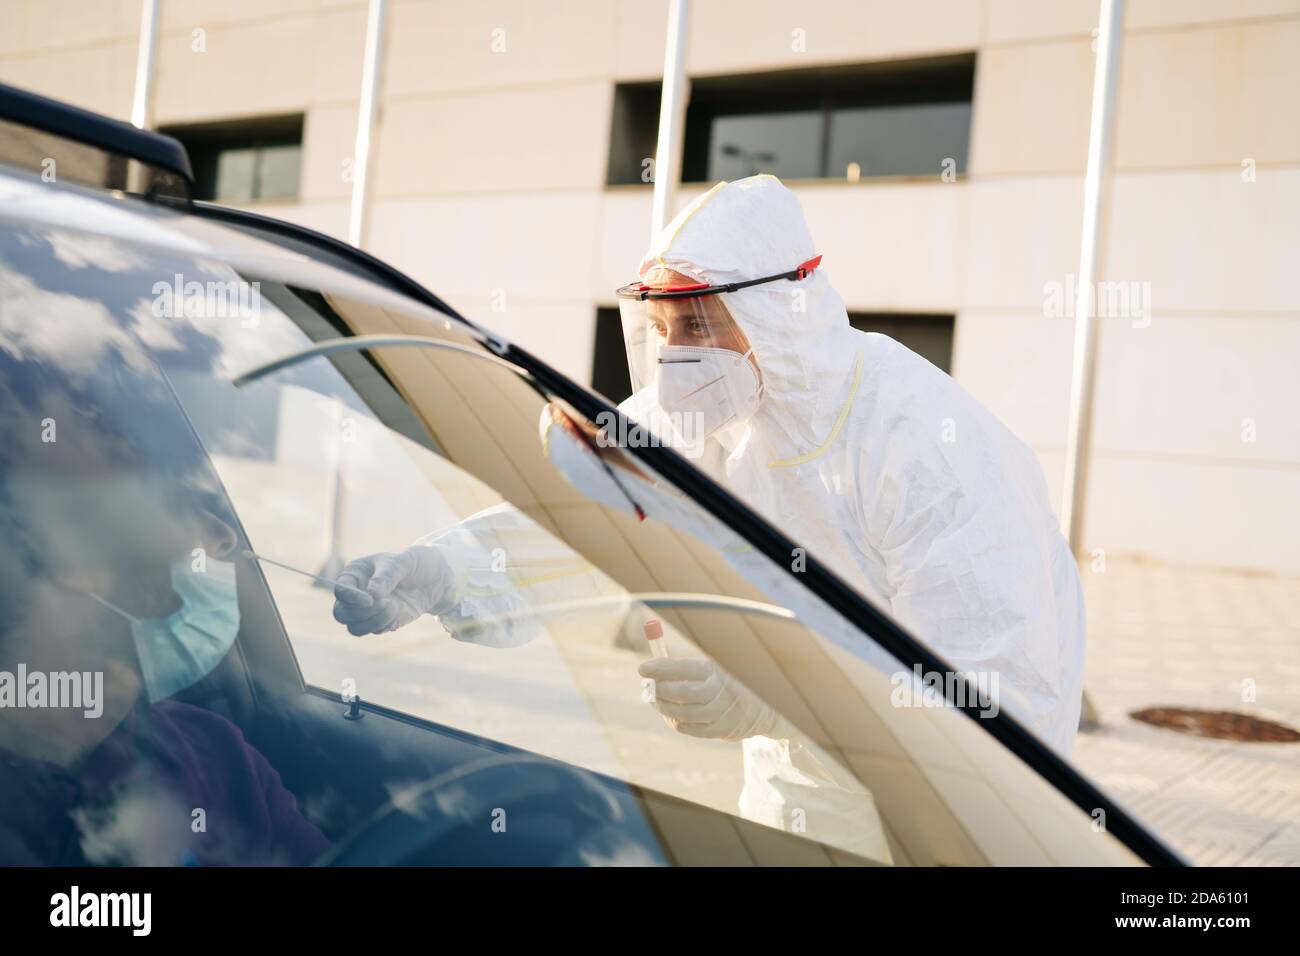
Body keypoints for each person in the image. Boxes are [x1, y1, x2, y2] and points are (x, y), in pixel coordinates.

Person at [333, 174, 1086, 760]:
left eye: (696, 321)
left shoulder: (929, 444)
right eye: (662, 326)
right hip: (794, 781)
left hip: (947, 822)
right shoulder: (700, 420)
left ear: (779, 311)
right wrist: (444, 571)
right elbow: (586, 522)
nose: (674, 353)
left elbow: (990, 702)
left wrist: (779, 696)